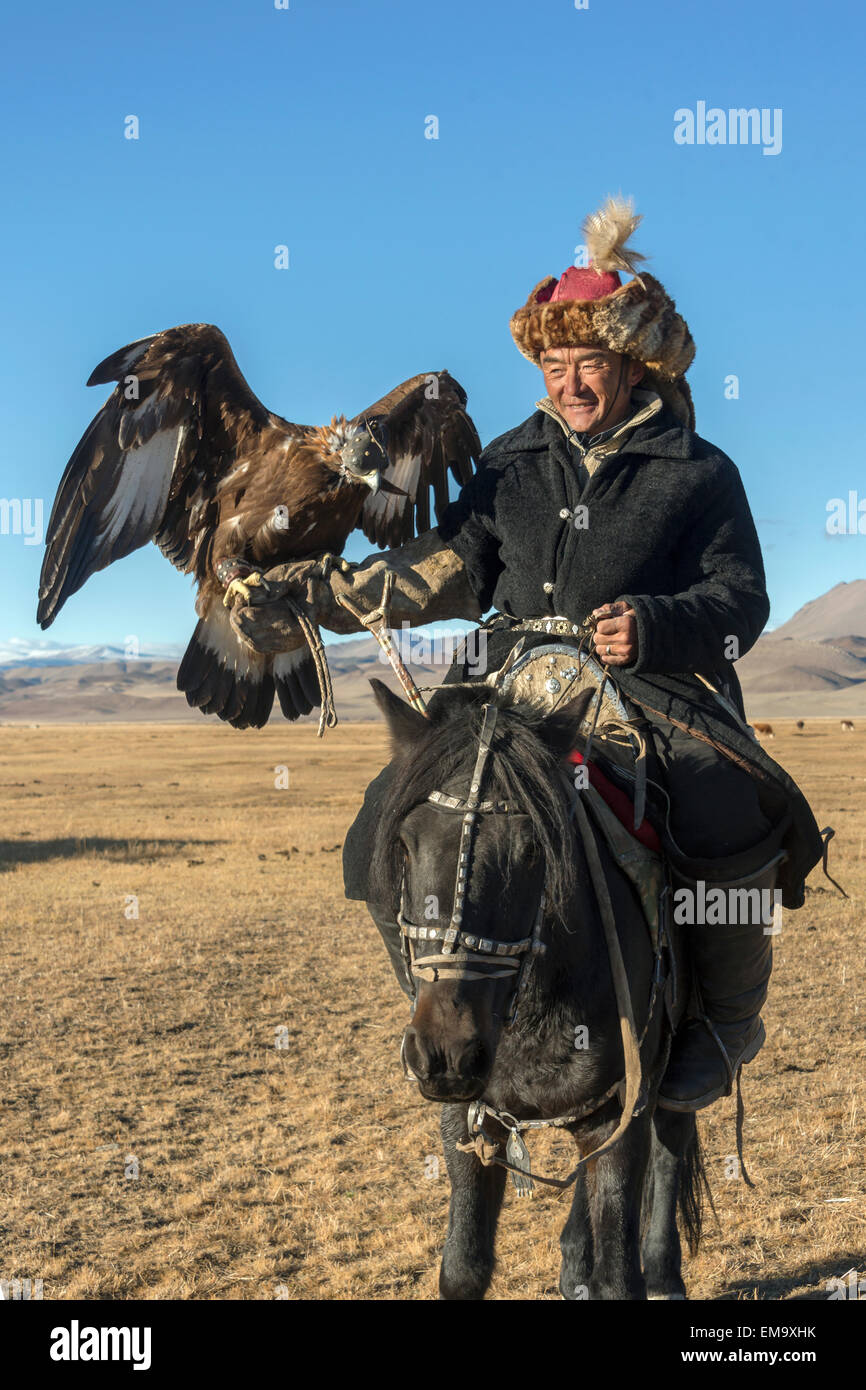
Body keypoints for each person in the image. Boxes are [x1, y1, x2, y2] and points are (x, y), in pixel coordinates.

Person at [231, 197, 823, 1112]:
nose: (572, 383)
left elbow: (741, 599)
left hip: (645, 689)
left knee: (727, 812)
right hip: (507, 684)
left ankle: (718, 1026)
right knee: (377, 827)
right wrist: (325, 594)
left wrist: (657, 625)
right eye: (555, 365)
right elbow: (450, 565)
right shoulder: (511, 460)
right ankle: (449, 1005)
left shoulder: (699, 470)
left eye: (590, 363)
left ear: (632, 365)